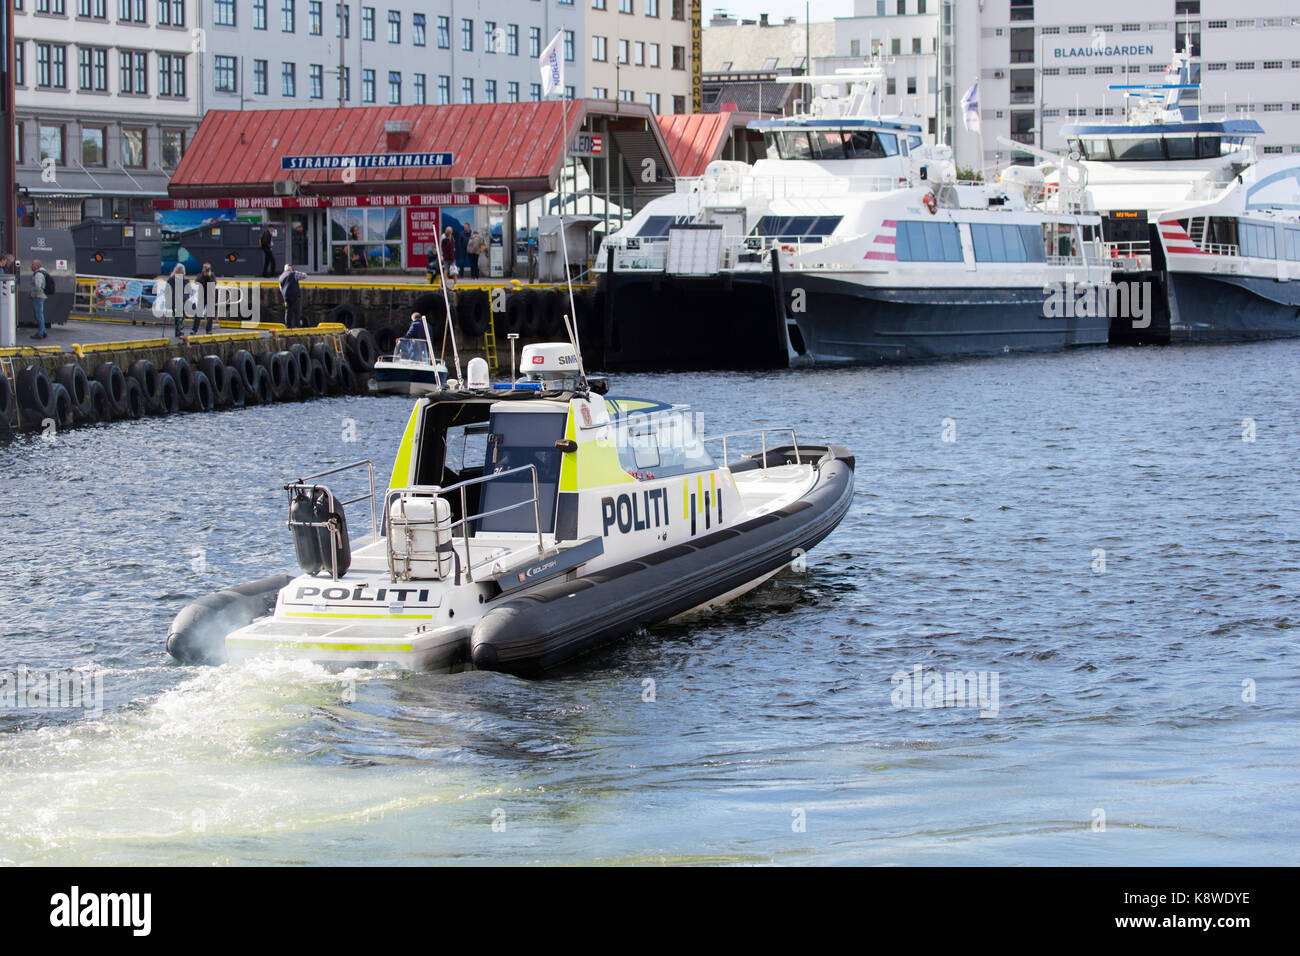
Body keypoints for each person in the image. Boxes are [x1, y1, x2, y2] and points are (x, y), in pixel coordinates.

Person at [192, 262, 217, 335]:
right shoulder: (200, 275)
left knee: (210, 315)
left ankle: (209, 330)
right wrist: (203, 275)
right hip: (202, 297)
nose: (205, 269)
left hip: (210, 297)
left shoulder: (212, 275)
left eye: (207, 268)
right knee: (198, 314)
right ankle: (194, 330)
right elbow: (196, 282)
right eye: (204, 268)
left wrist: (208, 276)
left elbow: (214, 284)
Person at [279, 264, 307, 328]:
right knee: (297, 311)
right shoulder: (293, 273)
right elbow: (305, 275)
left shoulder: (281, 277)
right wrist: (294, 272)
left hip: (286, 296)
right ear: (290, 268)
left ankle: (288, 326)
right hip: (295, 295)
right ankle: (297, 325)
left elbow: (281, 288)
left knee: (288, 311)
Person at [29, 259, 50, 339]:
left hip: (38, 296)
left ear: (37, 266)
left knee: (39, 315)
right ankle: (43, 331)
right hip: (41, 296)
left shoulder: (38, 274)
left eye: (32, 265)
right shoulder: (42, 273)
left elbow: (38, 286)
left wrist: (34, 294)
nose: (31, 266)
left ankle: (40, 333)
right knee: (40, 315)